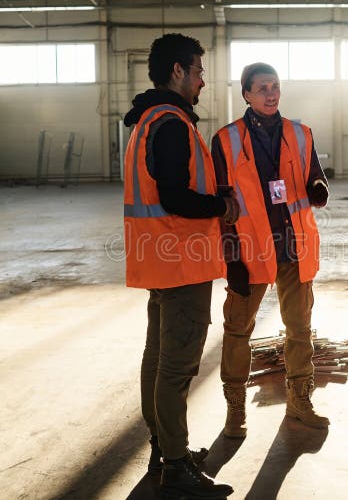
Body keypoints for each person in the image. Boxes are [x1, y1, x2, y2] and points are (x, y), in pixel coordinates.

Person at [122, 33, 238, 499]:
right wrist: (220, 206)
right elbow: (174, 195)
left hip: (159, 259)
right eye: (198, 70)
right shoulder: (170, 124)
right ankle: (175, 465)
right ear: (177, 72)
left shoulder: (148, 120)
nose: (202, 80)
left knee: (158, 359)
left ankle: (163, 448)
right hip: (182, 260)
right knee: (176, 367)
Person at [211, 62, 330, 439]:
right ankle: (234, 409)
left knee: (299, 329)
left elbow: (314, 175)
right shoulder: (226, 140)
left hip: (294, 247)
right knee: (237, 330)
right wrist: (232, 262)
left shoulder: (300, 133)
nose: (271, 93)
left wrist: (318, 188)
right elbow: (222, 205)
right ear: (246, 93)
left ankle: (299, 400)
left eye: (275, 86)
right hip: (249, 253)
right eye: (262, 87)